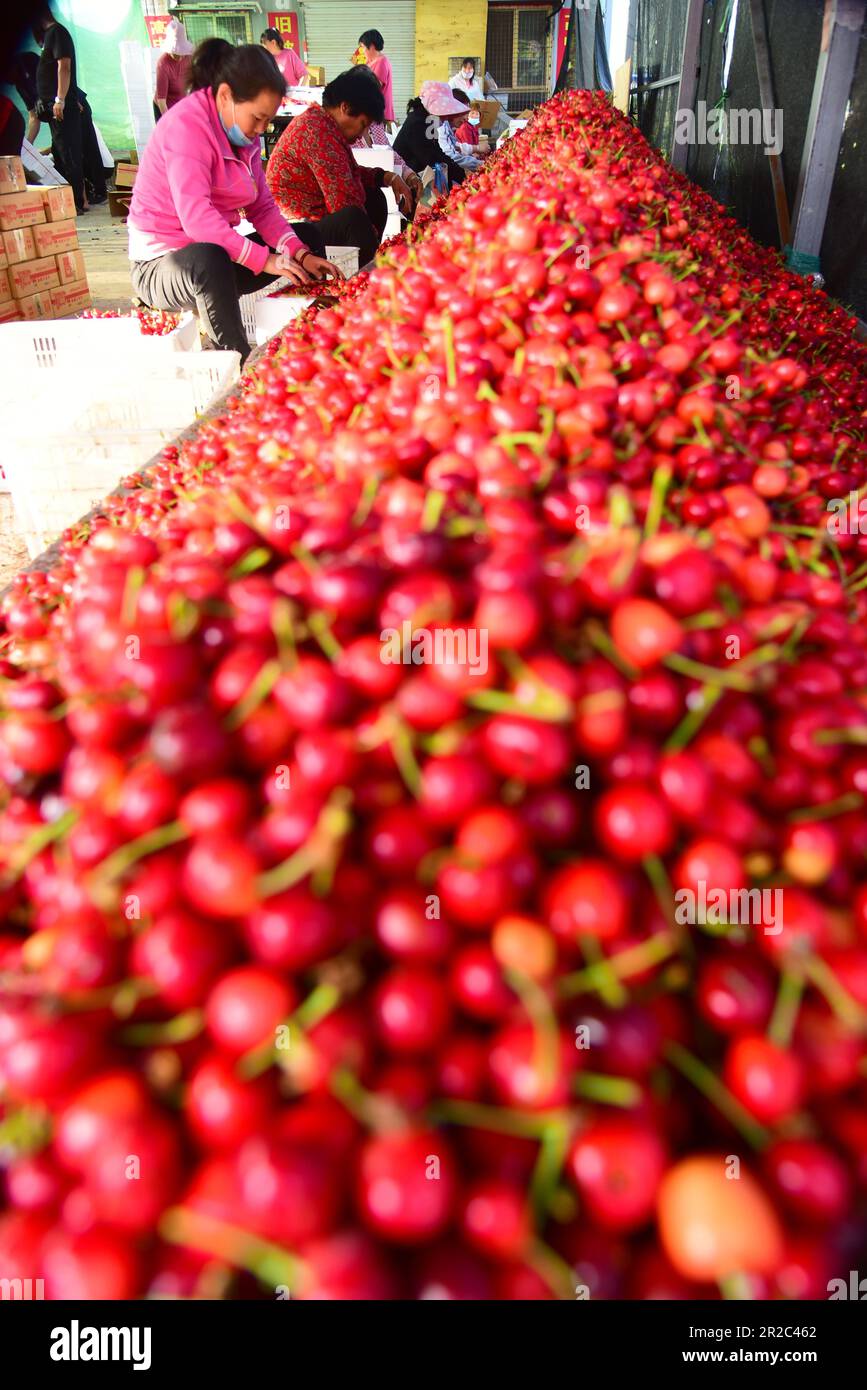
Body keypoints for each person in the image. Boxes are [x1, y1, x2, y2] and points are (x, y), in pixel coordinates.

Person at [127, 43, 339, 361]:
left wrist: (300, 254)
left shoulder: (246, 140)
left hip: (217, 262)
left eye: (267, 121)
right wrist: (264, 260)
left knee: (305, 237)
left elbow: (262, 207)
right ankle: (235, 361)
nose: (261, 130)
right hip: (163, 266)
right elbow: (196, 219)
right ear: (225, 96)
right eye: (257, 118)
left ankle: (317, 340)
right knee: (209, 260)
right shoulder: (186, 127)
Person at [266, 67, 411, 267]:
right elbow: (343, 200)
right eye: (363, 124)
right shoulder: (317, 131)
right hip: (297, 230)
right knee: (355, 218)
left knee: (373, 199)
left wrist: (386, 177)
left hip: (315, 219)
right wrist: (380, 246)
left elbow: (348, 172)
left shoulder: (325, 125)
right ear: (344, 107)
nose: (362, 134)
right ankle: (361, 279)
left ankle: (364, 267)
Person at [32, 5, 85, 213]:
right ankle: (73, 201)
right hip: (57, 107)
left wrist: (60, 99)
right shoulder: (52, 35)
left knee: (68, 153)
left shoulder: (57, 33)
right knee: (61, 153)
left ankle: (77, 202)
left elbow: (64, 66)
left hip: (61, 107)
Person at [393, 82, 467, 188]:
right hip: (408, 182)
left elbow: (437, 152)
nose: (446, 117)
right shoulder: (417, 123)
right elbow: (432, 158)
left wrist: (460, 173)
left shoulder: (428, 120)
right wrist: (462, 177)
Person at [155, 19, 194, 115]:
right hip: (166, 108)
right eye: (177, 53)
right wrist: (169, 120)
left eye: (182, 52)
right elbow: (161, 101)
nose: (181, 56)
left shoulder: (188, 57)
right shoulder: (163, 64)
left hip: (182, 104)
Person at [358, 29, 394, 126]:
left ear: (372, 46)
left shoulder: (381, 62)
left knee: (376, 141)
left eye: (363, 47)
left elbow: (374, 88)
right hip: (371, 112)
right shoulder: (370, 62)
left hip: (378, 114)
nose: (362, 51)